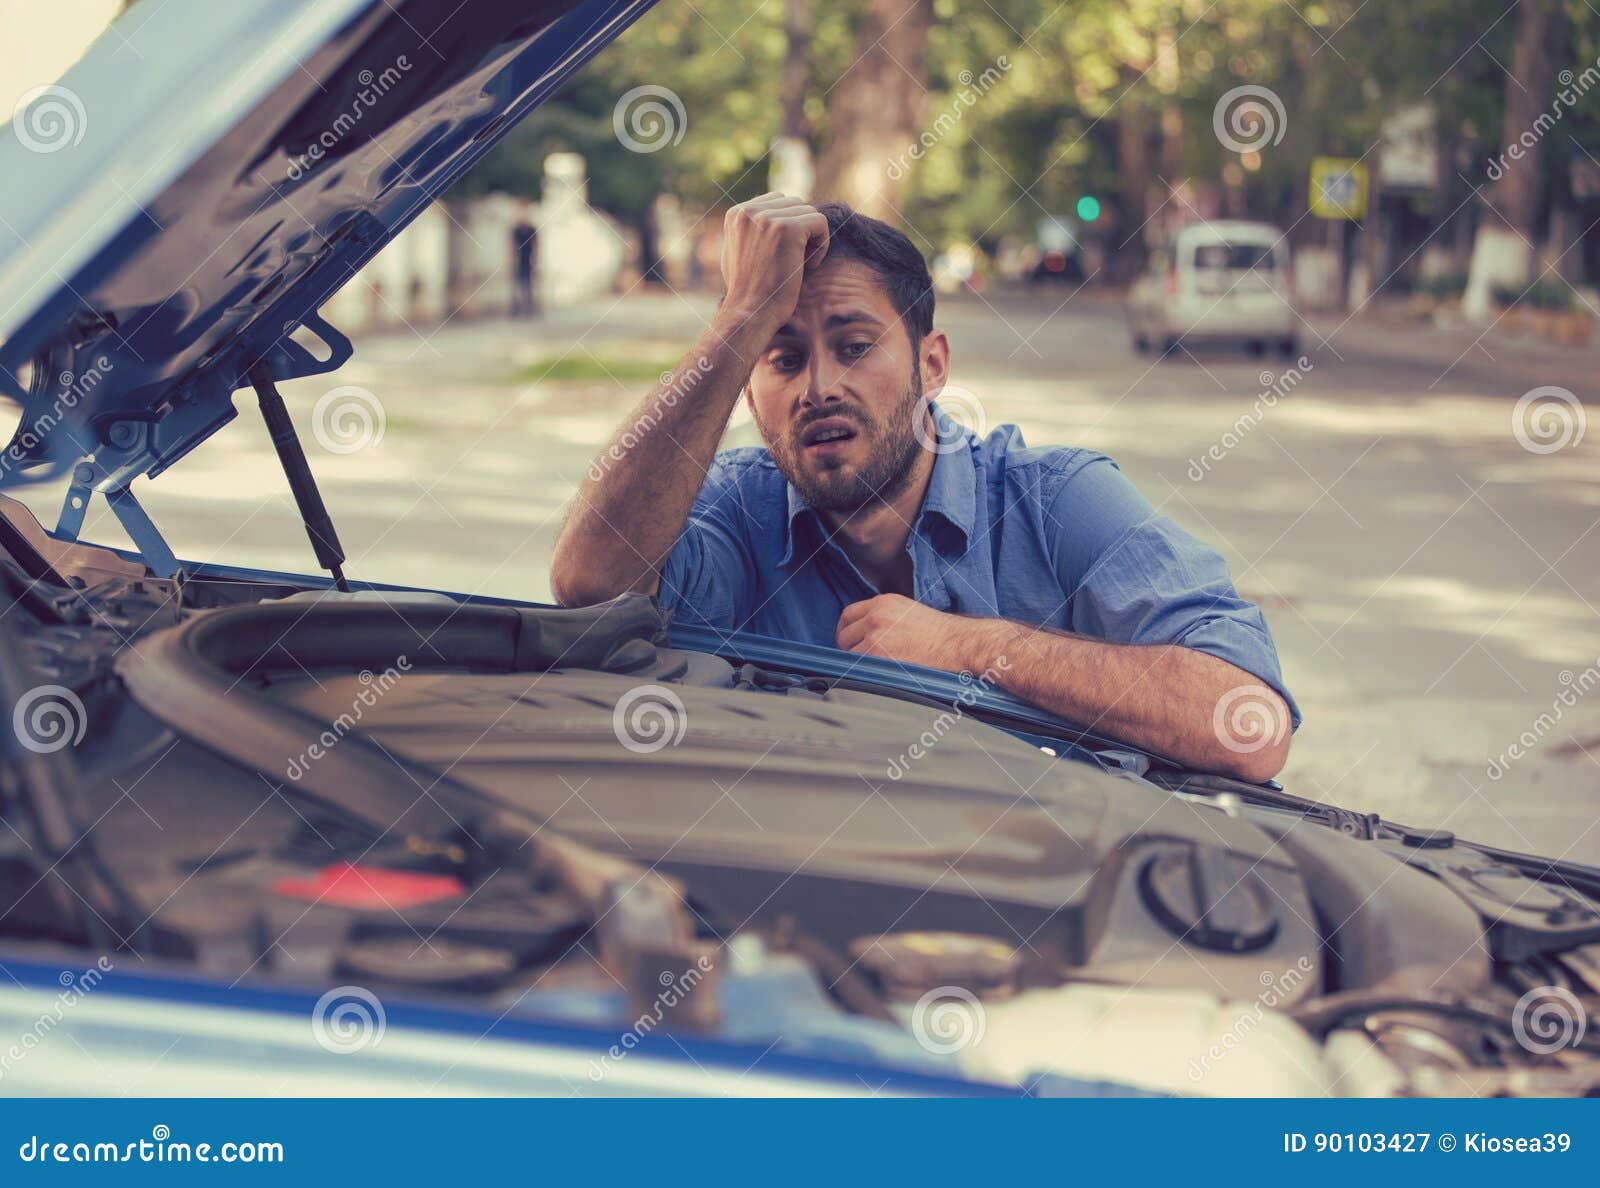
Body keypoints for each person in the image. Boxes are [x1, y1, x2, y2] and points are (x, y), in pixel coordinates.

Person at [550, 195, 1297, 780]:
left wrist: (972, 648)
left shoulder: (1057, 501)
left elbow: (1248, 725)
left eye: (854, 346)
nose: (819, 387)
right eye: (782, 358)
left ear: (932, 365)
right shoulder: (730, 512)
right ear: (748, 394)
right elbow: (588, 583)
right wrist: (740, 317)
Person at [510, 205, 539, 318]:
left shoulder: (532, 229)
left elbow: (536, 246)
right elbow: (511, 247)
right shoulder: (515, 230)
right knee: (516, 285)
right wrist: (511, 261)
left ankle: (529, 308)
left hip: (528, 260)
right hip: (518, 260)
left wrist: (536, 262)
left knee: (529, 285)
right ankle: (516, 309)